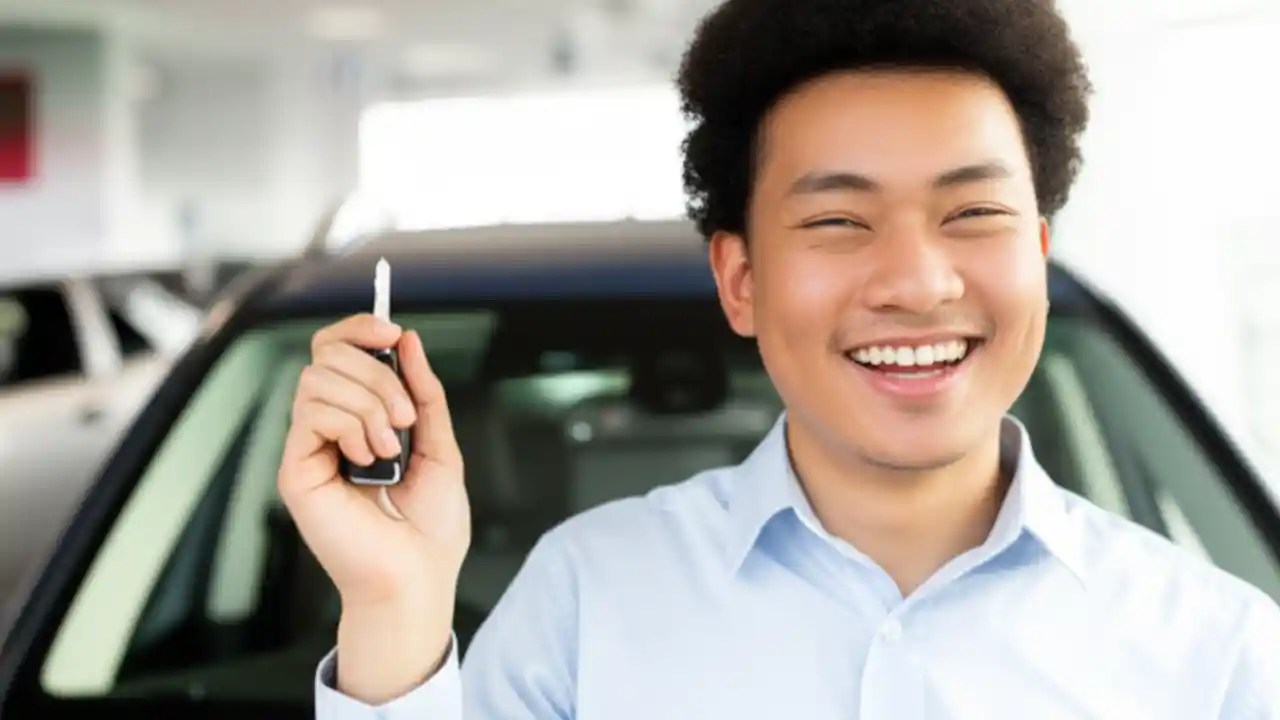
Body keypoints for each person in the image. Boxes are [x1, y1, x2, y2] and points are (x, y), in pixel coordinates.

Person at [278, 0, 1280, 717]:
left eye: (973, 212)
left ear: (1039, 256)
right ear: (740, 279)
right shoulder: (585, 603)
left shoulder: (1220, 655)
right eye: (839, 220)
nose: (916, 281)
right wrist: (393, 607)